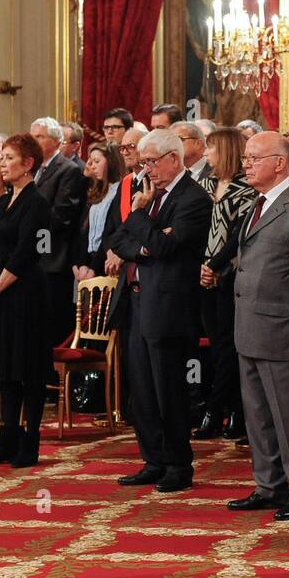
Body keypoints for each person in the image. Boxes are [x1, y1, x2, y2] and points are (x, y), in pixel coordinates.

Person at [225, 132, 289, 518]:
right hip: (248, 327)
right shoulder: (257, 203)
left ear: (280, 164)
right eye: (246, 158)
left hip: (285, 330)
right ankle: (268, 485)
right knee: (258, 415)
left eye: (254, 158)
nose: (246, 164)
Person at [106, 129, 211, 491]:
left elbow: (167, 247)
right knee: (143, 390)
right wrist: (146, 240)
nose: (146, 168)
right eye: (143, 161)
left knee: (169, 391)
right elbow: (119, 241)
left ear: (173, 159)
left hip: (168, 307)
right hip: (135, 302)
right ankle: (153, 460)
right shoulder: (149, 195)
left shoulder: (193, 198)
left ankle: (178, 466)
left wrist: (142, 225)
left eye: (151, 161)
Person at [0, 134, 54, 468]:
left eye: (9, 158)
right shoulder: (2, 201)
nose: (2, 163)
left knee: (28, 371)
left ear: (28, 164)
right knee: (6, 371)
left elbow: (26, 255)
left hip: (25, 297)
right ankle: (7, 437)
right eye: (2, 157)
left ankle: (30, 441)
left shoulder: (37, 203)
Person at [195, 129, 257, 440]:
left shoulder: (248, 188)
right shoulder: (203, 185)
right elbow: (193, 229)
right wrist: (203, 267)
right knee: (217, 346)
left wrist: (215, 266)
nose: (207, 155)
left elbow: (239, 236)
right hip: (203, 273)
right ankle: (217, 408)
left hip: (231, 274)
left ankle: (230, 410)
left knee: (232, 347)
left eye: (211, 150)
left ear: (227, 151)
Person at [30, 117, 89, 354]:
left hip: (54, 260)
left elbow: (61, 217)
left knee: (53, 327)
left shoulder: (68, 170)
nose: (33, 142)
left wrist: (27, 226)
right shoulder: (33, 169)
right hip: (35, 260)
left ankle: (54, 386)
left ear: (56, 141)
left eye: (39, 137)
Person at [72, 142, 124, 280]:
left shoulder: (119, 190)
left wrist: (94, 268)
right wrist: (82, 263)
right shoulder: (100, 190)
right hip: (90, 258)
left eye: (97, 161)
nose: (92, 166)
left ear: (111, 162)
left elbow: (109, 232)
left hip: (105, 260)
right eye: (91, 161)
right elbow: (87, 230)